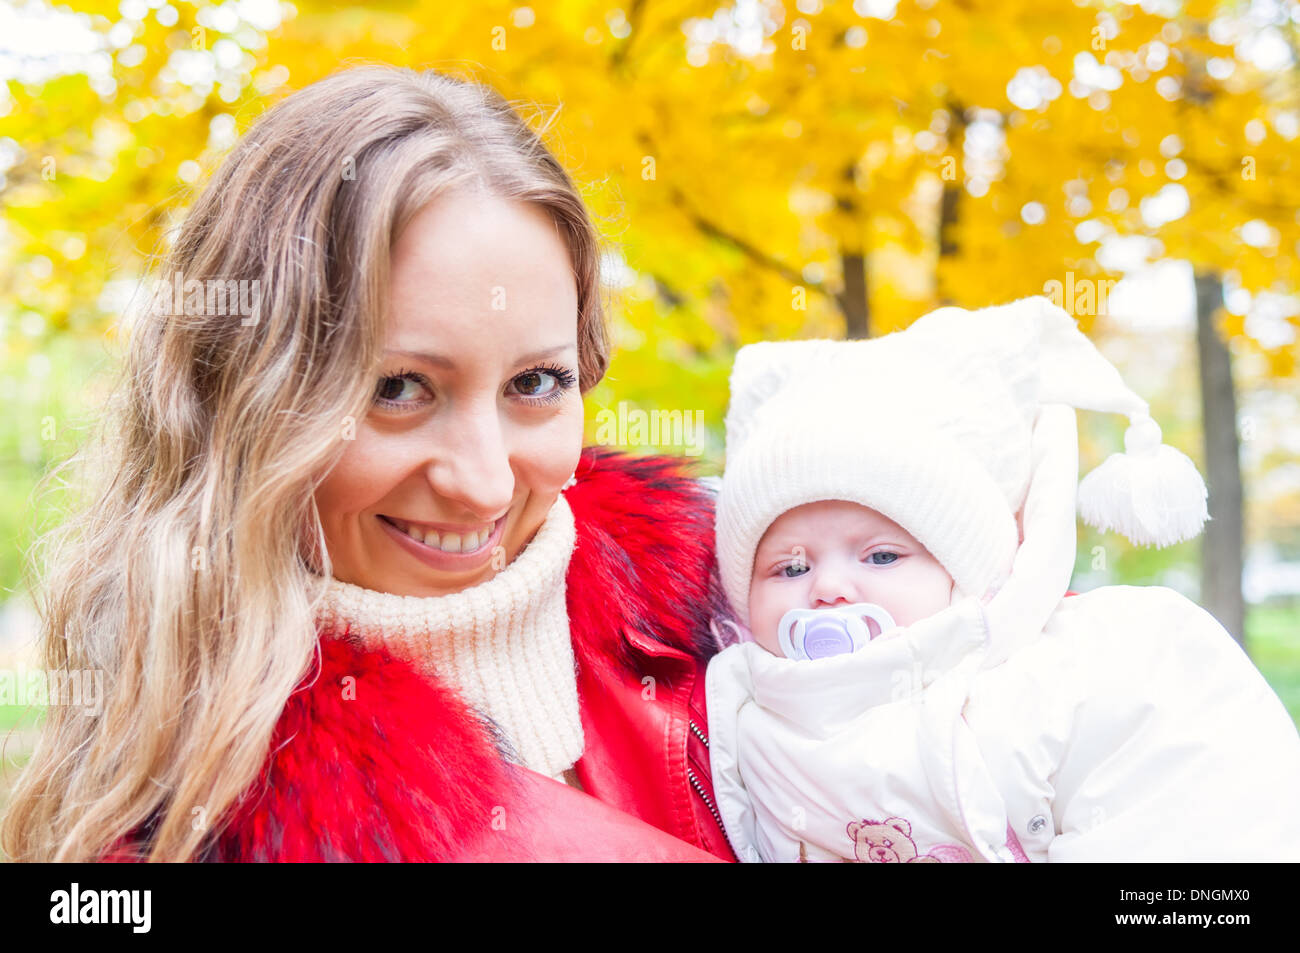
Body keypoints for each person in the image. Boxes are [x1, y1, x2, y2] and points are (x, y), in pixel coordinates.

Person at [0, 66, 735, 862]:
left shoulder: (755, 612)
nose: (484, 482)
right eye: (398, 388)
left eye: (535, 382)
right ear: (244, 402)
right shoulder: (185, 834)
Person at [705, 295, 1300, 862]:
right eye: (790, 567)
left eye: (882, 556)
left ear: (966, 578)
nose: (828, 587)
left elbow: (1197, 817)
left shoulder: (1072, 675)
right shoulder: (739, 711)